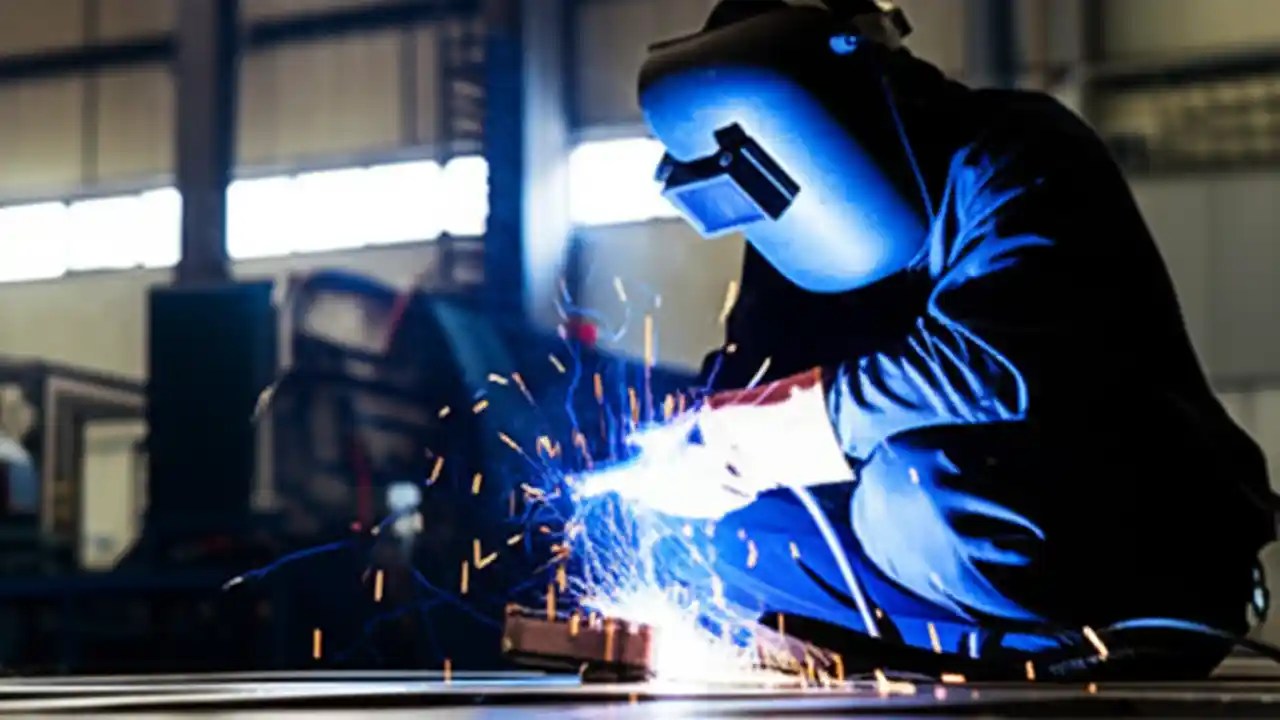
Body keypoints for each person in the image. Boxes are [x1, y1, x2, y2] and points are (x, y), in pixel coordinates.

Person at [582, 0, 1276, 678]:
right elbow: (753, 375)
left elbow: (1002, 364)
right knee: (715, 539)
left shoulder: (1015, 151)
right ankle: (923, 653)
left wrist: (813, 418)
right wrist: (700, 446)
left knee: (914, 490)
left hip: (1137, 531)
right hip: (948, 560)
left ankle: (1071, 642)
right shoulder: (801, 222)